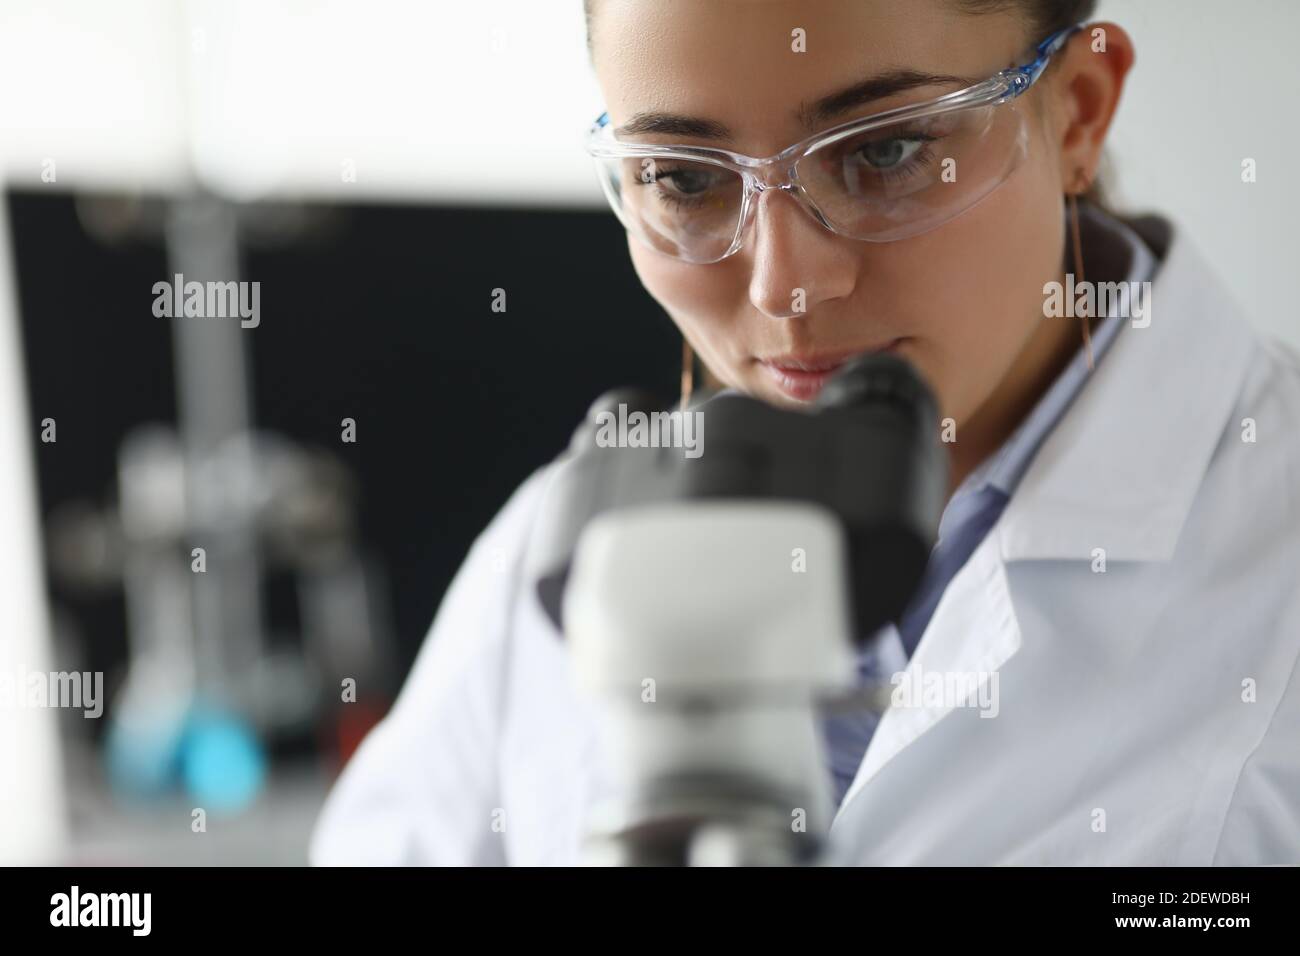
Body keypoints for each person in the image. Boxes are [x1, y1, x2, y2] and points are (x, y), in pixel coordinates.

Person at [310, 0, 1300, 865]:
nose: (782, 281)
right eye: (683, 177)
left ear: (1077, 108)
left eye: (885, 151)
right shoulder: (554, 553)